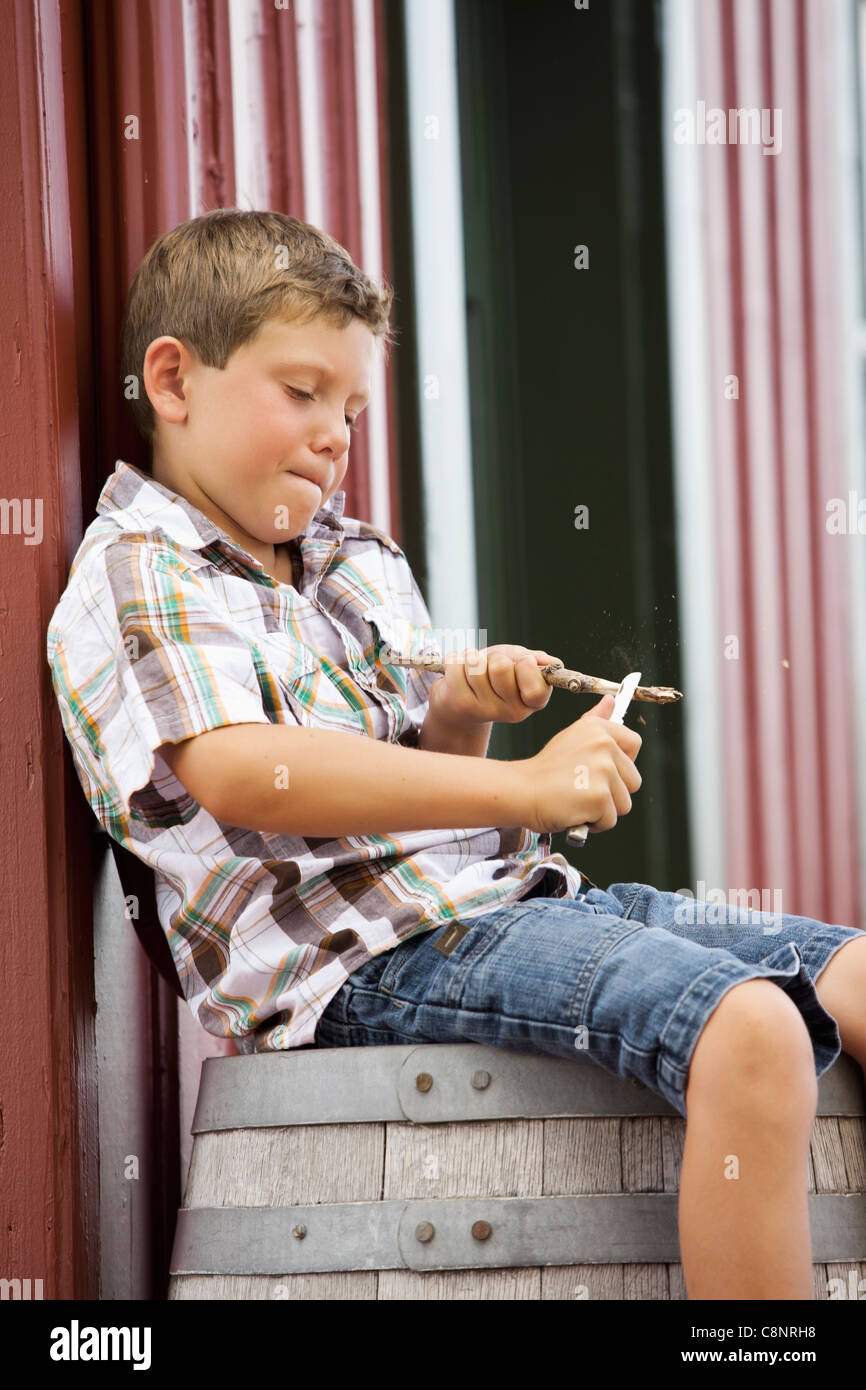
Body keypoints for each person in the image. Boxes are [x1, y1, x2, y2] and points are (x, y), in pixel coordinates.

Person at [46, 208, 866, 1301]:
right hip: (356, 968)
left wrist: (463, 716)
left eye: (350, 408)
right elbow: (245, 771)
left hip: (491, 907)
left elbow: (454, 826)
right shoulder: (143, 566)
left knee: (859, 972)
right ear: (174, 378)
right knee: (751, 1028)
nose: (336, 434)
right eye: (302, 393)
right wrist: (522, 778)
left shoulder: (353, 560)